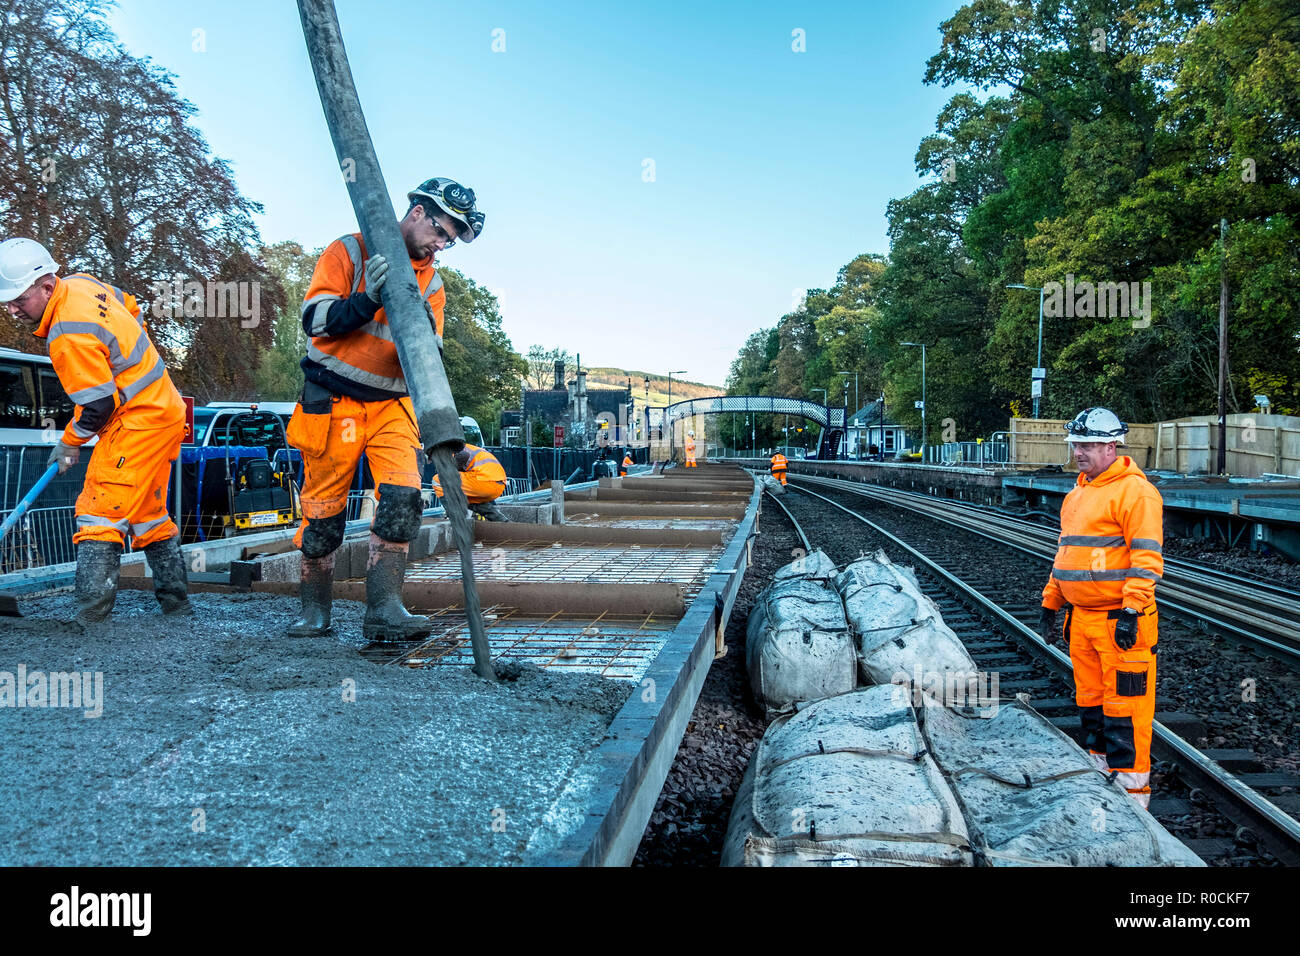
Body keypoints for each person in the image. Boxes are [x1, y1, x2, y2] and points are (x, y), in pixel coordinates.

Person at [285, 177, 484, 641]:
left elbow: (425, 351)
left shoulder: (432, 281)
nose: (441, 244)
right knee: (322, 515)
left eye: (450, 241)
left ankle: (385, 609)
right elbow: (315, 321)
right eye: (441, 231)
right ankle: (314, 610)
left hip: (392, 405)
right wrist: (366, 300)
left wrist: (422, 339)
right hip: (333, 401)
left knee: (402, 500)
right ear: (418, 212)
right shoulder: (349, 252)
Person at [0, 238, 190, 622]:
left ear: (47, 287)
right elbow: (131, 306)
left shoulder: (67, 334)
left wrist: (69, 444)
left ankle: (90, 619)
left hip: (138, 421)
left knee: (98, 511)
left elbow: (99, 405)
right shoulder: (84, 284)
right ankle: (177, 605)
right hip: (164, 410)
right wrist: (134, 361)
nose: (12, 309)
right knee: (147, 513)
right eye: (6, 301)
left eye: (18, 299)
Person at [1037, 407, 1163, 809]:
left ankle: (1132, 798)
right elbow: (1066, 554)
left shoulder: (1136, 493)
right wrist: (1051, 601)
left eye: (1088, 445)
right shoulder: (1078, 493)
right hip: (1084, 623)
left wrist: (1131, 609)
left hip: (1120, 623)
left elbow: (1146, 559)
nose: (1079, 452)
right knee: (1091, 706)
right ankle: (1100, 783)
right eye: (1076, 444)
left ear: (1112, 447)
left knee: (1125, 712)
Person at [432, 444, 507, 521]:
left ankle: (455, 518)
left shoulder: (451, 448)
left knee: (438, 480)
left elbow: (464, 455)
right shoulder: (468, 447)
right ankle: (501, 521)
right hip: (498, 485)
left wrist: (450, 468)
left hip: (483, 480)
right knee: (467, 500)